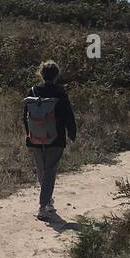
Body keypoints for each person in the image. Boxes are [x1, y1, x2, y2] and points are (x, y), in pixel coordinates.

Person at [23, 60, 76, 221]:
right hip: (56, 138)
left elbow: (25, 116)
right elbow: (68, 115)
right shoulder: (60, 93)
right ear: (57, 75)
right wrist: (72, 133)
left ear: (41, 74)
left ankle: (47, 200)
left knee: (42, 170)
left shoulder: (32, 91)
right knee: (50, 171)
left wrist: (29, 133)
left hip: (35, 138)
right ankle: (43, 206)